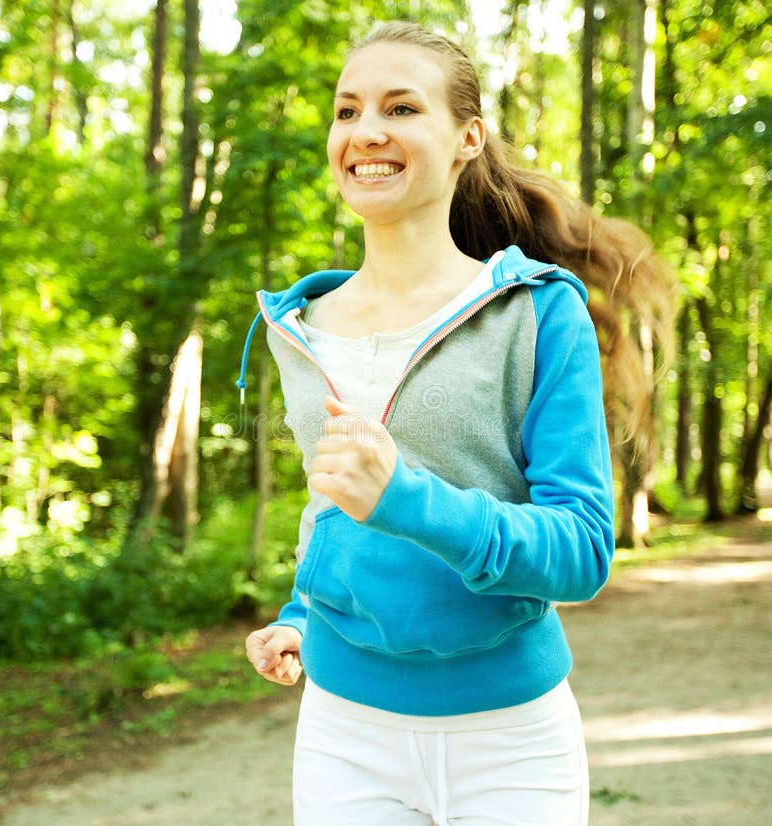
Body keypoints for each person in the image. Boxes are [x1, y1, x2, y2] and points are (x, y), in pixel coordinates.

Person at [240, 20, 674, 826]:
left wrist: (404, 498)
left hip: (511, 740)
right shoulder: (298, 329)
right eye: (347, 110)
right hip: (343, 732)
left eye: (401, 108)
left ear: (468, 137)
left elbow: (582, 550)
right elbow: (334, 508)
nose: (366, 131)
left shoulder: (538, 315)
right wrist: (304, 612)